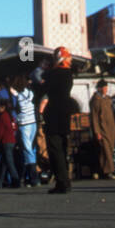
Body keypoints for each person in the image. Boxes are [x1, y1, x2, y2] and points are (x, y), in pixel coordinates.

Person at [41, 47, 75, 194]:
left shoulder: (51, 74)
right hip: (64, 116)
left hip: (53, 116)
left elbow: (41, 86)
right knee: (63, 149)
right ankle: (66, 181)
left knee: (55, 151)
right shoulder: (68, 74)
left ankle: (61, 182)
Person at [10, 74, 40, 187]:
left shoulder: (17, 95)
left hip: (24, 124)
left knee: (27, 150)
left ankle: (33, 178)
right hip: (33, 123)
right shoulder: (30, 93)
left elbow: (15, 108)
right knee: (31, 148)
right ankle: (31, 177)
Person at [90, 79, 115, 179]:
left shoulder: (108, 99)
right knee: (105, 149)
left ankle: (100, 170)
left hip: (111, 129)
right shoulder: (95, 100)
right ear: (100, 88)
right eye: (104, 88)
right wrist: (97, 131)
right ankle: (110, 171)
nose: (106, 89)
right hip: (101, 128)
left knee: (107, 149)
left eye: (106, 87)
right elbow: (94, 117)